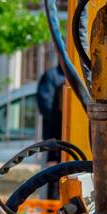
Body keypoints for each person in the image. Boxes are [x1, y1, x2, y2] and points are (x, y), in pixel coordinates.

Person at [35, 64, 66, 198]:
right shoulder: (52, 76)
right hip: (55, 139)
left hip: (66, 138)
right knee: (53, 179)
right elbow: (46, 108)